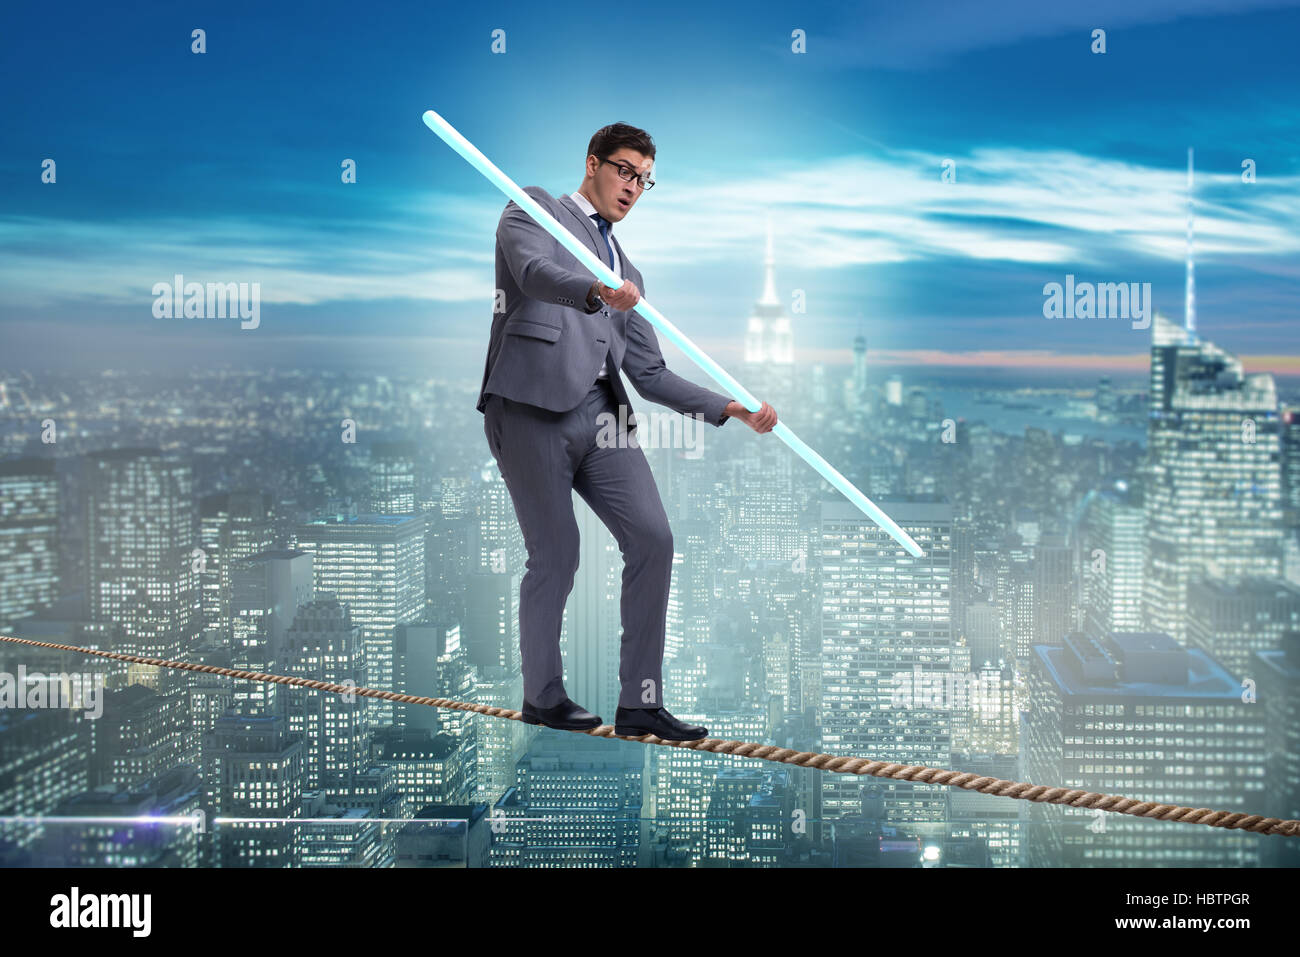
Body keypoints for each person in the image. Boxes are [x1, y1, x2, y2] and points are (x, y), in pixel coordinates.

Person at [478, 121, 777, 741]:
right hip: (529, 406)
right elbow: (533, 273)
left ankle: (641, 703)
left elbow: (650, 373)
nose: (634, 187)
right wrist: (595, 291)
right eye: (625, 171)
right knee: (557, 554)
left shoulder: (629, 270)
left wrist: (730, 409)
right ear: (593, 163)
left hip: (602, 419)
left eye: (645, 180)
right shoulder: (535, 207)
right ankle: (542, 696)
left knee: (654, 539)